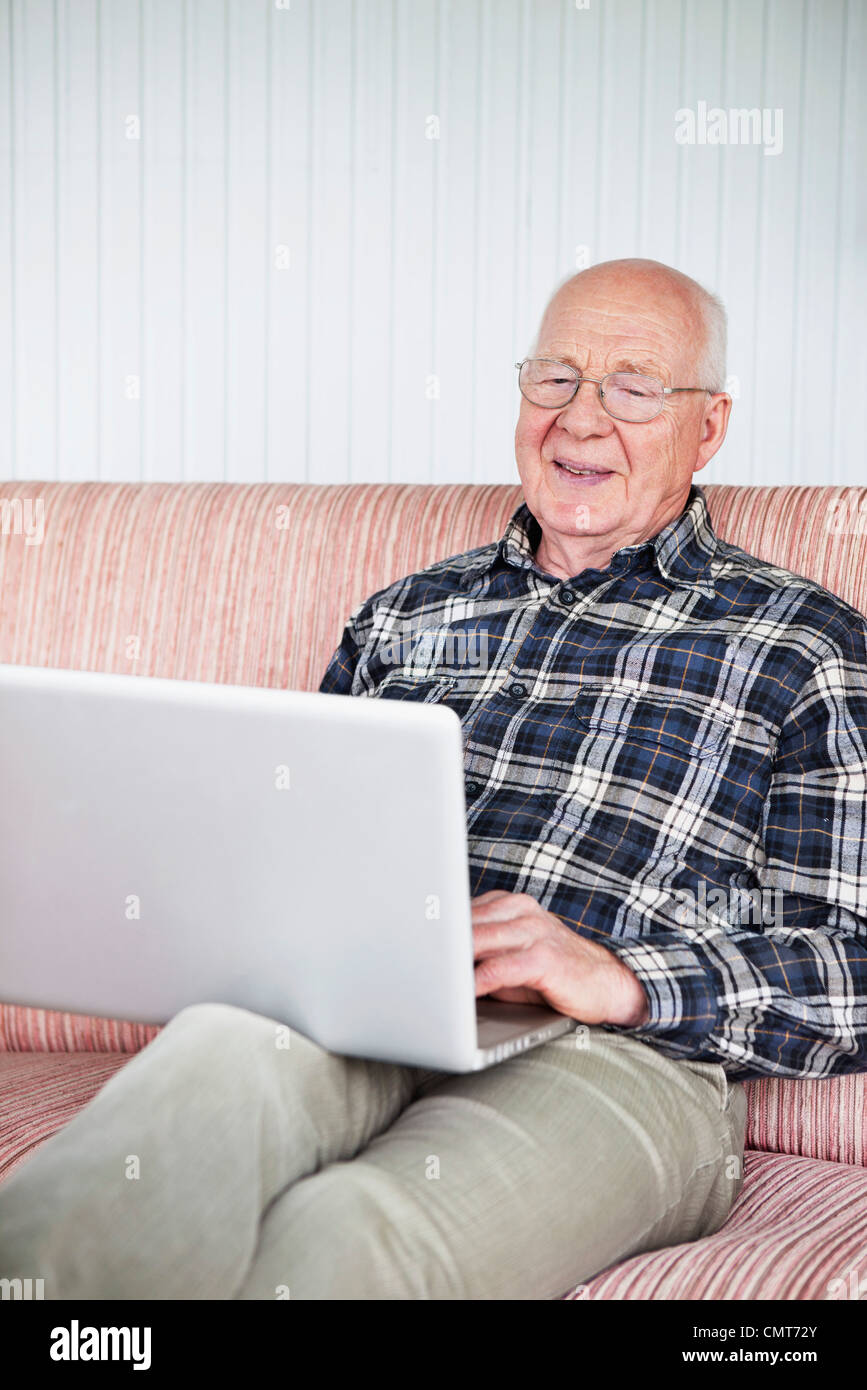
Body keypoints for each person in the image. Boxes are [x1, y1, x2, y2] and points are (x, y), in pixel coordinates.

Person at [2, 258, 866, 1301]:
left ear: (709, 427)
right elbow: (290, 857)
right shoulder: (406, 615)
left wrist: (622, 975)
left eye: (633, 388)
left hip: (630, 1055)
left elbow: (852, 959)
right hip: (366, 1002)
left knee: (351, 1234)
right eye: (554, 379)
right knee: (157, 1126)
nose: (580, 420)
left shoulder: (804, 644)